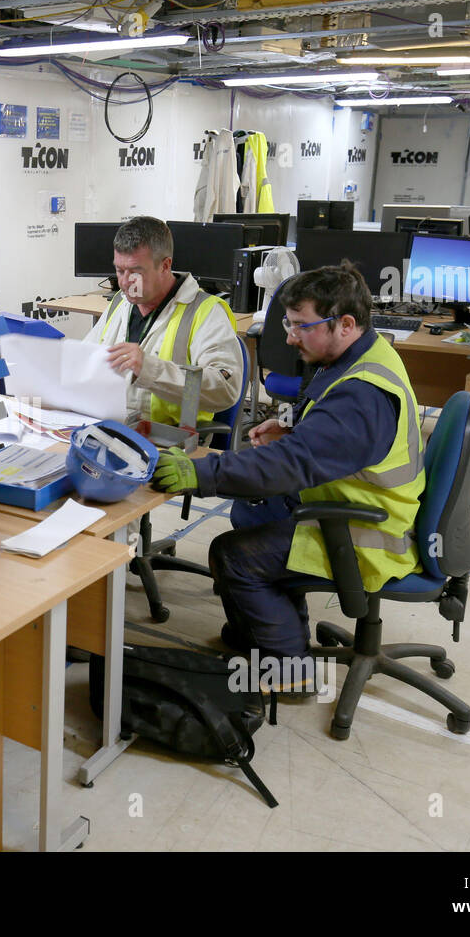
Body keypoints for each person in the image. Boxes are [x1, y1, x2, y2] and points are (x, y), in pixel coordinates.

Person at [151, 262, 426, 686]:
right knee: (250, 513)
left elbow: (287, 465)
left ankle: (288, 674)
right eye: (287, 322)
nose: (289, 336)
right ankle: (262, 631)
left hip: (366, 532)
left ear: (345, 323)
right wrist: (291, 423)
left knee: (234, 555)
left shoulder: (364, 394)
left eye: (301, 325)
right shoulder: (364, 352)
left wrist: (201, 473)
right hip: (349, 502)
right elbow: (324, 420)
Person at [84, 216, 243, 427]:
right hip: (111, 428)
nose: (124, 282)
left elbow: (225, 389)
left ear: (165, 265)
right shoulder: (119, 304)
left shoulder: (205, 312)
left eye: (136, 272)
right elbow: (84, 361)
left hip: (171, 442)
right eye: (120, 270)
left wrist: (149, 369)